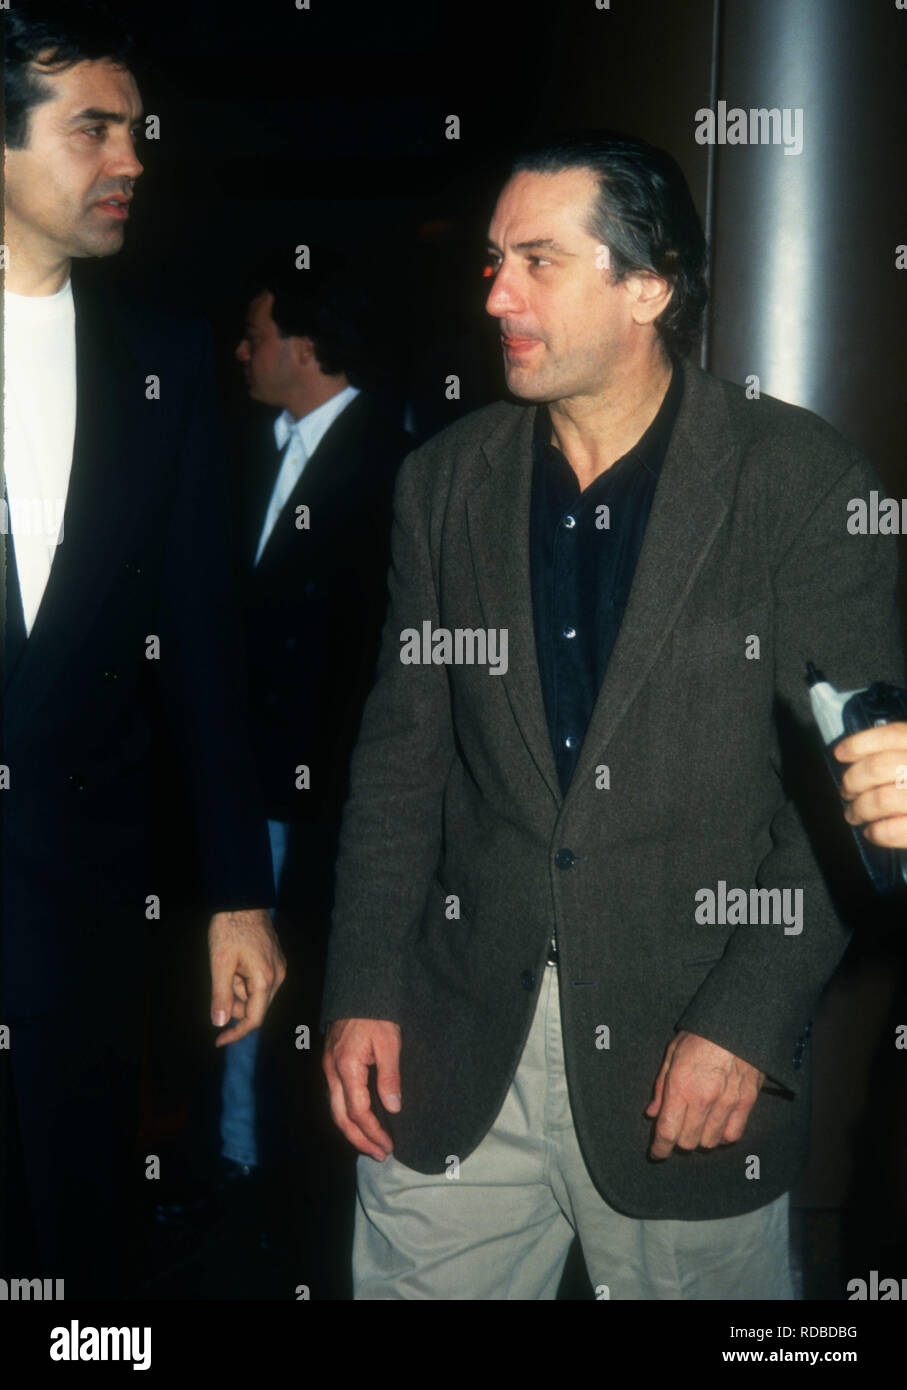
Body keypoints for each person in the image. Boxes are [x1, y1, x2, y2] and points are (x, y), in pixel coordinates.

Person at [320, 132, 905, 1300]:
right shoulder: (444, 483)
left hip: (687, 1058)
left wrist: (745, 1016)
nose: (495, 294)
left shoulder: (799, 480)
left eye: (537, 261)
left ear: (648, 286)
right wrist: (361, 988)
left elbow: (851, 795)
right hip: (453, 1042)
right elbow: (401, 765)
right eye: (493, 260)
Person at [0, 1, 285, 1296]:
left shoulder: (164, 362)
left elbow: (205, 652)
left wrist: (237, 889)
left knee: (71, 1231)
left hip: (80, 914)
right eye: (92, 130)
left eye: (135, 129)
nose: (131, 159)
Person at [207, 257, 408, 1185]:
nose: (241, 351)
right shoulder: (240, 448)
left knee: (309, 992)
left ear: (302, 343)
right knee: (235, 989)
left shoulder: (400, 458)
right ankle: (235, 1162)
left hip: (331, 800)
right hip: (241, 788)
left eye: (255, 334)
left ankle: (284, 1179)